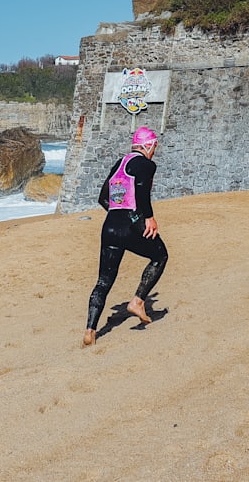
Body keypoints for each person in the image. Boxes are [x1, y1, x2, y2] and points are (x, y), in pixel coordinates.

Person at [83, 126, 169, 347]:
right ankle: (138, 301)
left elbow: (103, 198)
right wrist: (147, 218)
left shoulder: (119, 164)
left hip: (110, 226)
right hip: (131, 225)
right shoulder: (146, 164)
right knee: (160, 256)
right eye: (154, 147)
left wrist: (117, 217)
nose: (154, 152)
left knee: (103, 281)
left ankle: (90, 330)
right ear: (148, 145)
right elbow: (141, 191)